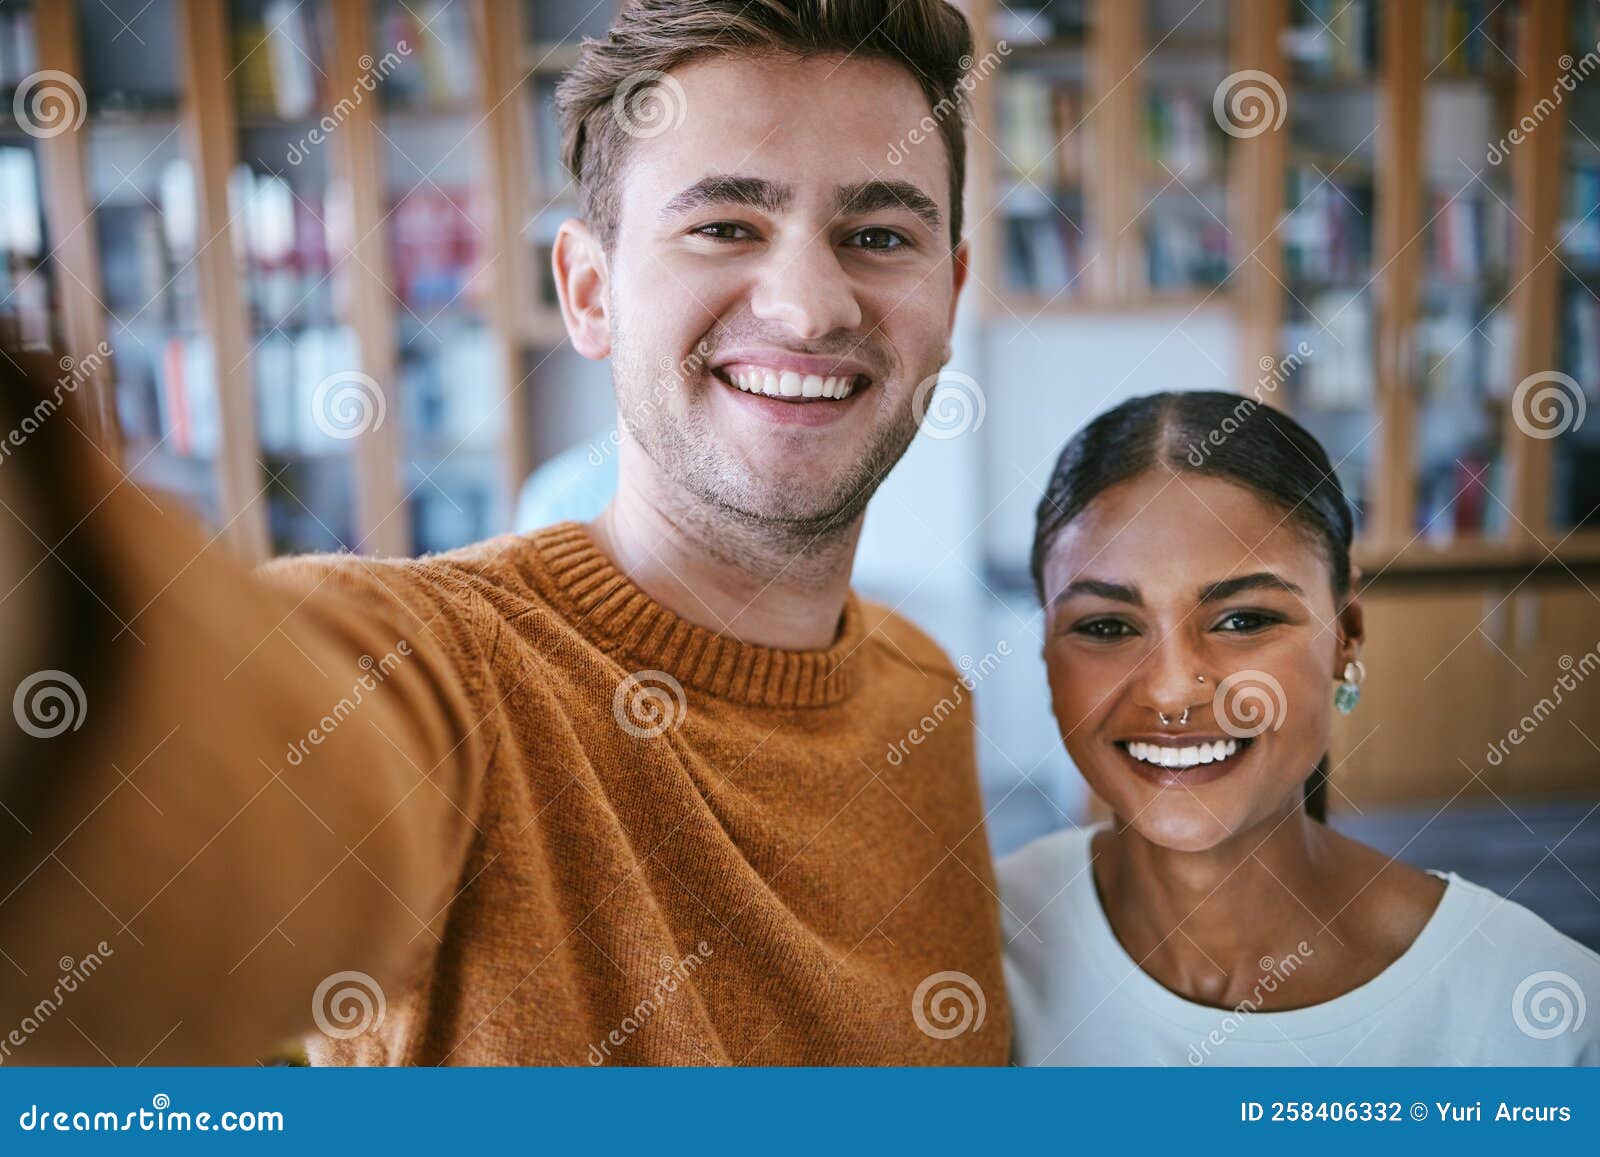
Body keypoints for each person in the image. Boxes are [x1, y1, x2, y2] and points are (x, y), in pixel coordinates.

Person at [0, 0, 1009, 1065]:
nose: (810, 308)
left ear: (948, 291)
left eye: (879, 235)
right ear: (587, 291)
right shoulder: (441, 673)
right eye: (724, 225)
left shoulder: (925, 691)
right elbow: (186, 806)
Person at [1000, 391, 1600, 1066]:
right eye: (1106, 627)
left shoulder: (1543, 1018)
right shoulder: (975, 942)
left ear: (1346, 633)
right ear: (1048, 653)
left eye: (1244, 620)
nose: (1170, 687)